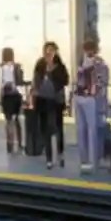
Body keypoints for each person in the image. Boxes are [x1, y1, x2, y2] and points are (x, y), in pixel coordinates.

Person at [30, 41, 69, 170]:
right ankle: (49, 158)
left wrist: (52, 75)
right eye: (47, 50)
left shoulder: (60, 66)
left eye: (51, 50)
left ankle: (60, 154)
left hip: (56, 101)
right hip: (42, 100)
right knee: (45, 129)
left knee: (58, 128)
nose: (49, 53)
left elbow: (65, 80)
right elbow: (35, 80)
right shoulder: (40, 64)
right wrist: (34, 94)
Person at [74, 39, 109, 173]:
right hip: (88, 98)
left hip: (84, 97)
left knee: (85, 129)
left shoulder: (86, 62)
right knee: (89, 129)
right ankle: (91, 160)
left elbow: (99, 83)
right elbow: (103, 83)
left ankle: (87, 160)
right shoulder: (96, 63)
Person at [0, 47, 25, 153]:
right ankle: (20, 142)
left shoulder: (1, 68)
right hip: (16, 95)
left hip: (7, 96)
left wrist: (0, 98)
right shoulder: (16, 66)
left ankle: (10, 143)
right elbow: (20, 82)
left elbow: (0, 84)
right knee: (17, 119)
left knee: (9, 121)